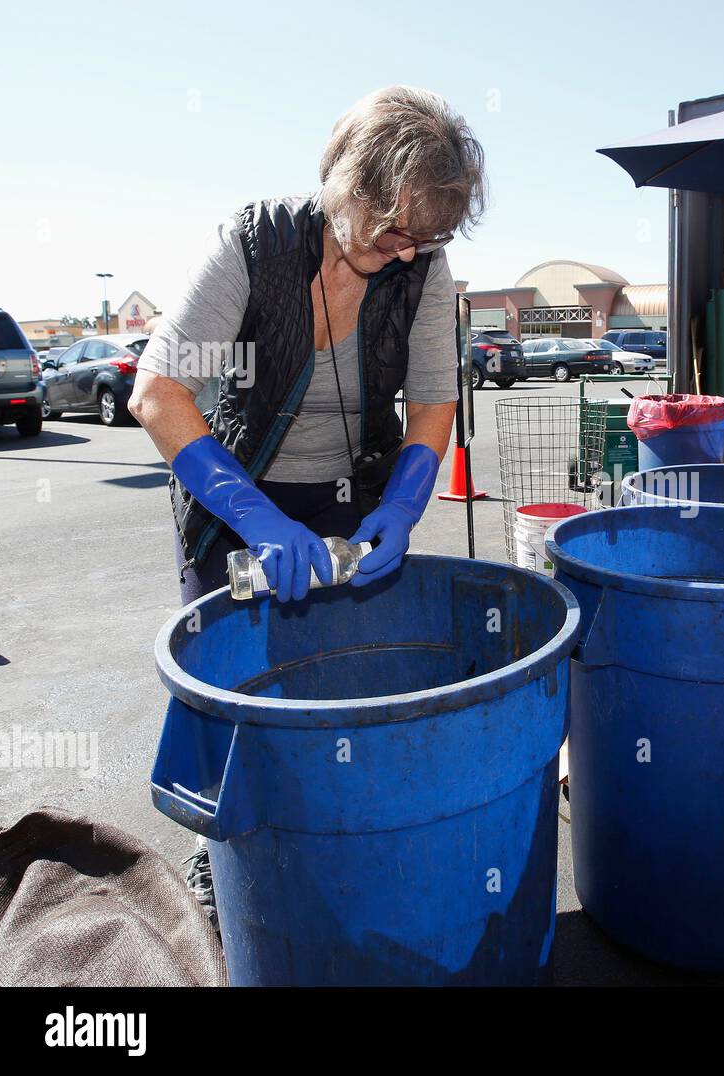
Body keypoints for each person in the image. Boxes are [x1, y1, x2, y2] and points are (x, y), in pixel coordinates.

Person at [129, 85, 486, 922]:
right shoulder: (255, 244)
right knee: (232, 693)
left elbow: (434, 404)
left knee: (335, 685)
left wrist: (400, 508)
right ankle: (227, 857)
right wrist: (252, 516)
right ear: (346, 187)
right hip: (232, 492)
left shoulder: (421, 268)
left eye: (425, 237)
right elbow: (159, 393)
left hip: (349, 500)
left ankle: (332, 844)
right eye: (396, 228)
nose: (407, 253)